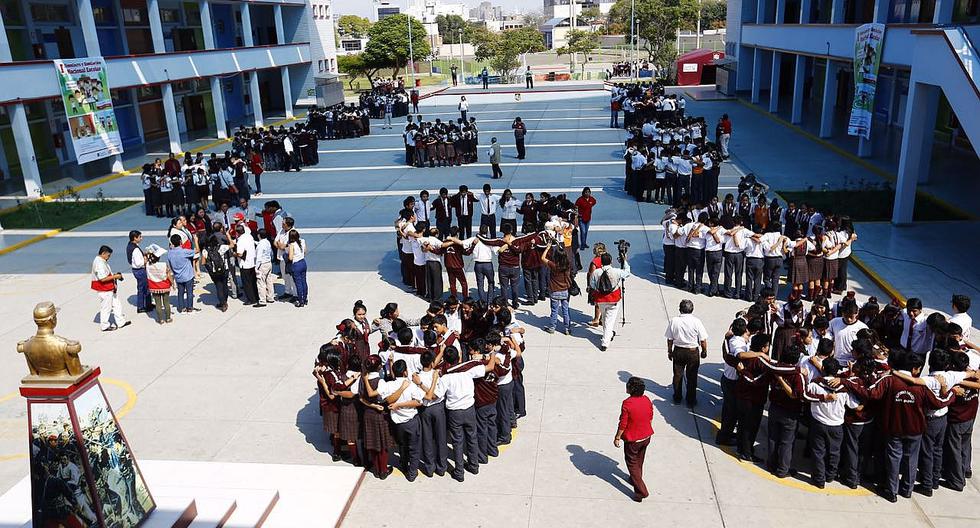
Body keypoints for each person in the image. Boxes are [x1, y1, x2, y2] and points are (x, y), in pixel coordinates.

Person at [614, 377, 653, 502]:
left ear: (631, 389)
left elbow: (623, 423)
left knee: (631, 463)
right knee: (639, 460)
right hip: (646, 436)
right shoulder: (646, 399)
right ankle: (634, 478)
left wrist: (617, 437)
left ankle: (641, 492)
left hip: (633, 440)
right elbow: (650, 416)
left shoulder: (627, 403)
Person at [665, 299, 708, 406]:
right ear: (692, 309)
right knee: (692, 377)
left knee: (677, 375)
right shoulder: (696, 322)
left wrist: (670, 351)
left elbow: (670, 339)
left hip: (678, 351)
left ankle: (677, 397)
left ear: (680, 309)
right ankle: (691, 400)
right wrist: (704, 350)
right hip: (692, 352)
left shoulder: (674, 321)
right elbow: (703, 340)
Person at [590, 252, 631, 351]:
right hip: (613, 299)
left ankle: (608, 334)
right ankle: (605, 342)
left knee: (605, 318)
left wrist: (598, 290)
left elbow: (592, 284)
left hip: (600, 300)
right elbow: (627, 273)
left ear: (601, 262)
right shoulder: (616, 271)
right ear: (611, 261)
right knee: (609, 321)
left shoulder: (596, 272)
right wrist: (624, 260)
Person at [90, 245, 130, 332]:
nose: (109, 257)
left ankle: (120, 322)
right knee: (106, 308)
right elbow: (102, 279)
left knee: (117, 305)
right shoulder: (99, 263)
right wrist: (116, 276)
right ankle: (104, 326)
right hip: (104, 290)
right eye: (108, 255)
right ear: (103, 253)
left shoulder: (101, 260)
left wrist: (113, 276)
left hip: (109, 288)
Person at [541, 242, 572, 335]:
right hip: (565, 290)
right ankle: (567, 328)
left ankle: (552, 328)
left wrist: (547, 248)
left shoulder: (553, 265)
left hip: (554, 290)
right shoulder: (567, 265)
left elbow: (543, 258)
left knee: (554, 310)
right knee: (565, 310)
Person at [166, 234, 199, 313]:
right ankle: (190, 308)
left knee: (180, 293)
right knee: (189, 293)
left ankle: (181, 308)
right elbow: (197, 250)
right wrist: (196, 241)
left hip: (178, 276)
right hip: (188, 276)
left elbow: (170, 266)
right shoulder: (184, 252)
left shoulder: (170, 253)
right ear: (180, 241)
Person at [126, 230, 153, 314]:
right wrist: (145, 260)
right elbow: (138, 263)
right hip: (140, 270)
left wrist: (143, 254)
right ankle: (142, 306)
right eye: (140, 237)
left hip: (136, 270)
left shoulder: (130, 246)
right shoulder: (135, 249)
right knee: (144, 288)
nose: (141, 238)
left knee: (144, 288)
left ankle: (147, 304)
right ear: (135, 238)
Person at [145, 249, 173, 324]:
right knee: (166, 302)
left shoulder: (148, 265)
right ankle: (168, 318)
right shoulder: (164, 264)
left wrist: (147, 253)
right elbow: (169, 275)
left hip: (154, 286)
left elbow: (145, 260)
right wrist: (173, 283)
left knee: (158, 304)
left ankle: (160, 319)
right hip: (164, 285)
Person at [288, 229, 309, 307]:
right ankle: (305, 298)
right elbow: (305, 251)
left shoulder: (292, 245)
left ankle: (301, 301)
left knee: (298, 284)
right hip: (303, 262)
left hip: (296, 265)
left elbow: (290, 258)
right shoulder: (302, 241)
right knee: (304, 282)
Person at [255, 228, 275, 306]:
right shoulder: (267, 242)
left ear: (259, 235)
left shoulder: (260, 245)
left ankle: (262, 300)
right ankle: (270, 297)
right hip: (268, 263)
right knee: (269, 281)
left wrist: (256, 268)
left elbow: (259, 258)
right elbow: (271, 253)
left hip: (262, 265)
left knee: (261, 283)